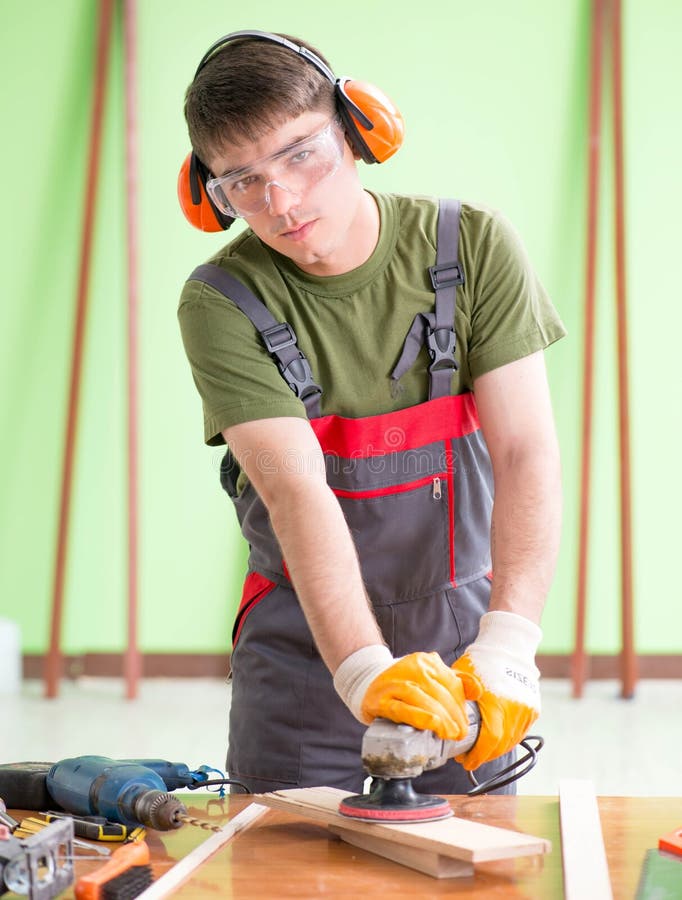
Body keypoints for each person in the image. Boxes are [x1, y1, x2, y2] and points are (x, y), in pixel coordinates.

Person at [177, 30, 566, 796]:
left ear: (359, 129)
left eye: (300, 154)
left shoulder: (474, 248)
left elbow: (527, 452)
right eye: (242, 183)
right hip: (301, 673)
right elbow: (295, 490)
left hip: (467, 666)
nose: (280, 201)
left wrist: (511, 644)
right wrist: (361, 670)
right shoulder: (222, 303)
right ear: (210, 196)